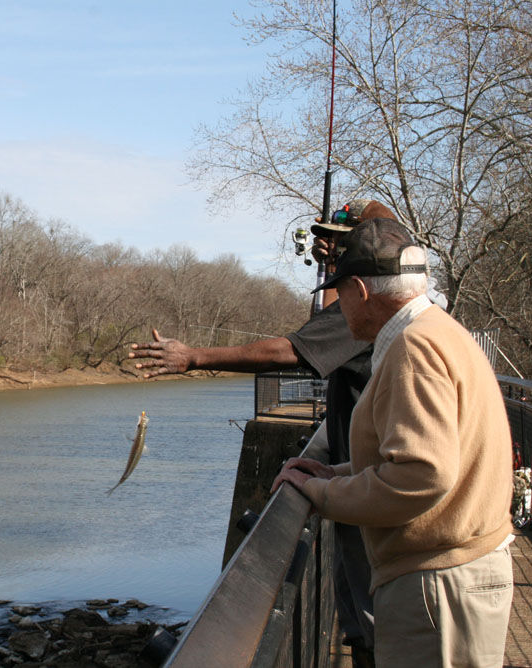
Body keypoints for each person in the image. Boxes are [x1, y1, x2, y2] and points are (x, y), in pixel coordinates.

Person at [129, 198, 396, 666]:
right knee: (364, 624)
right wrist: (332, 268)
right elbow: (321, 329)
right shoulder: (369, 304)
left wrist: (194, 357)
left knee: (376, 630)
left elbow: (292, 350)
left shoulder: (370, 310)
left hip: (379, 505)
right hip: (361, 479)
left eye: (337, 244)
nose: (326, 249)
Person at [273, 218, 514, 668]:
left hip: (438, 583)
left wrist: (323, 495)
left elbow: (421, 475)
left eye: (339, 296)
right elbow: (427, 456)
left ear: (360, 292)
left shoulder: (414, 347)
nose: (338, 310)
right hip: (451, 575)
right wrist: (335, 472)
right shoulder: (437, 331)